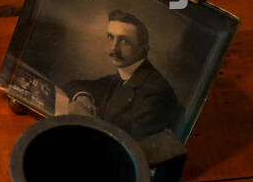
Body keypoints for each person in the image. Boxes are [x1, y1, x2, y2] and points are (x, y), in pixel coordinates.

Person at [63, 9, 183, 139]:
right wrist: (83, 97)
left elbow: (135, 152)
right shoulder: (122, 75)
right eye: (110, 37)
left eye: (124, 41)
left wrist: (88, 122)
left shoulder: (156, 91)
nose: (113, 48)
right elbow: (74, 85)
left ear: (144, 49)